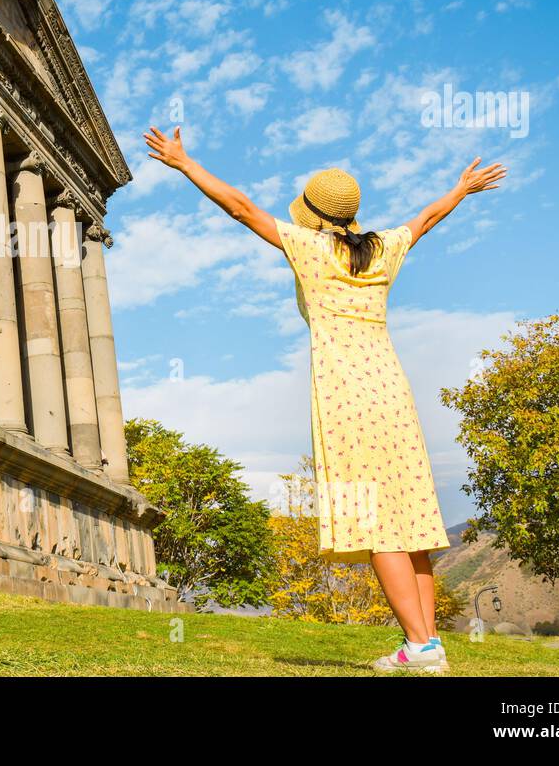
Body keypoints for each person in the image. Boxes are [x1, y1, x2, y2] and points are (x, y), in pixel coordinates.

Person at [144, 125, 506, 673]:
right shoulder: (383, 249)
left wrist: (184, 163)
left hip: (347, 400)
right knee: (412, 526)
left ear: (311, 214)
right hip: (394, 392)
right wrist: (461, 188)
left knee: (380, 523)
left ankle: (420, 646)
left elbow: (242, 208)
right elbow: (426, 218)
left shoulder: (308, 247)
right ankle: (428, 643)